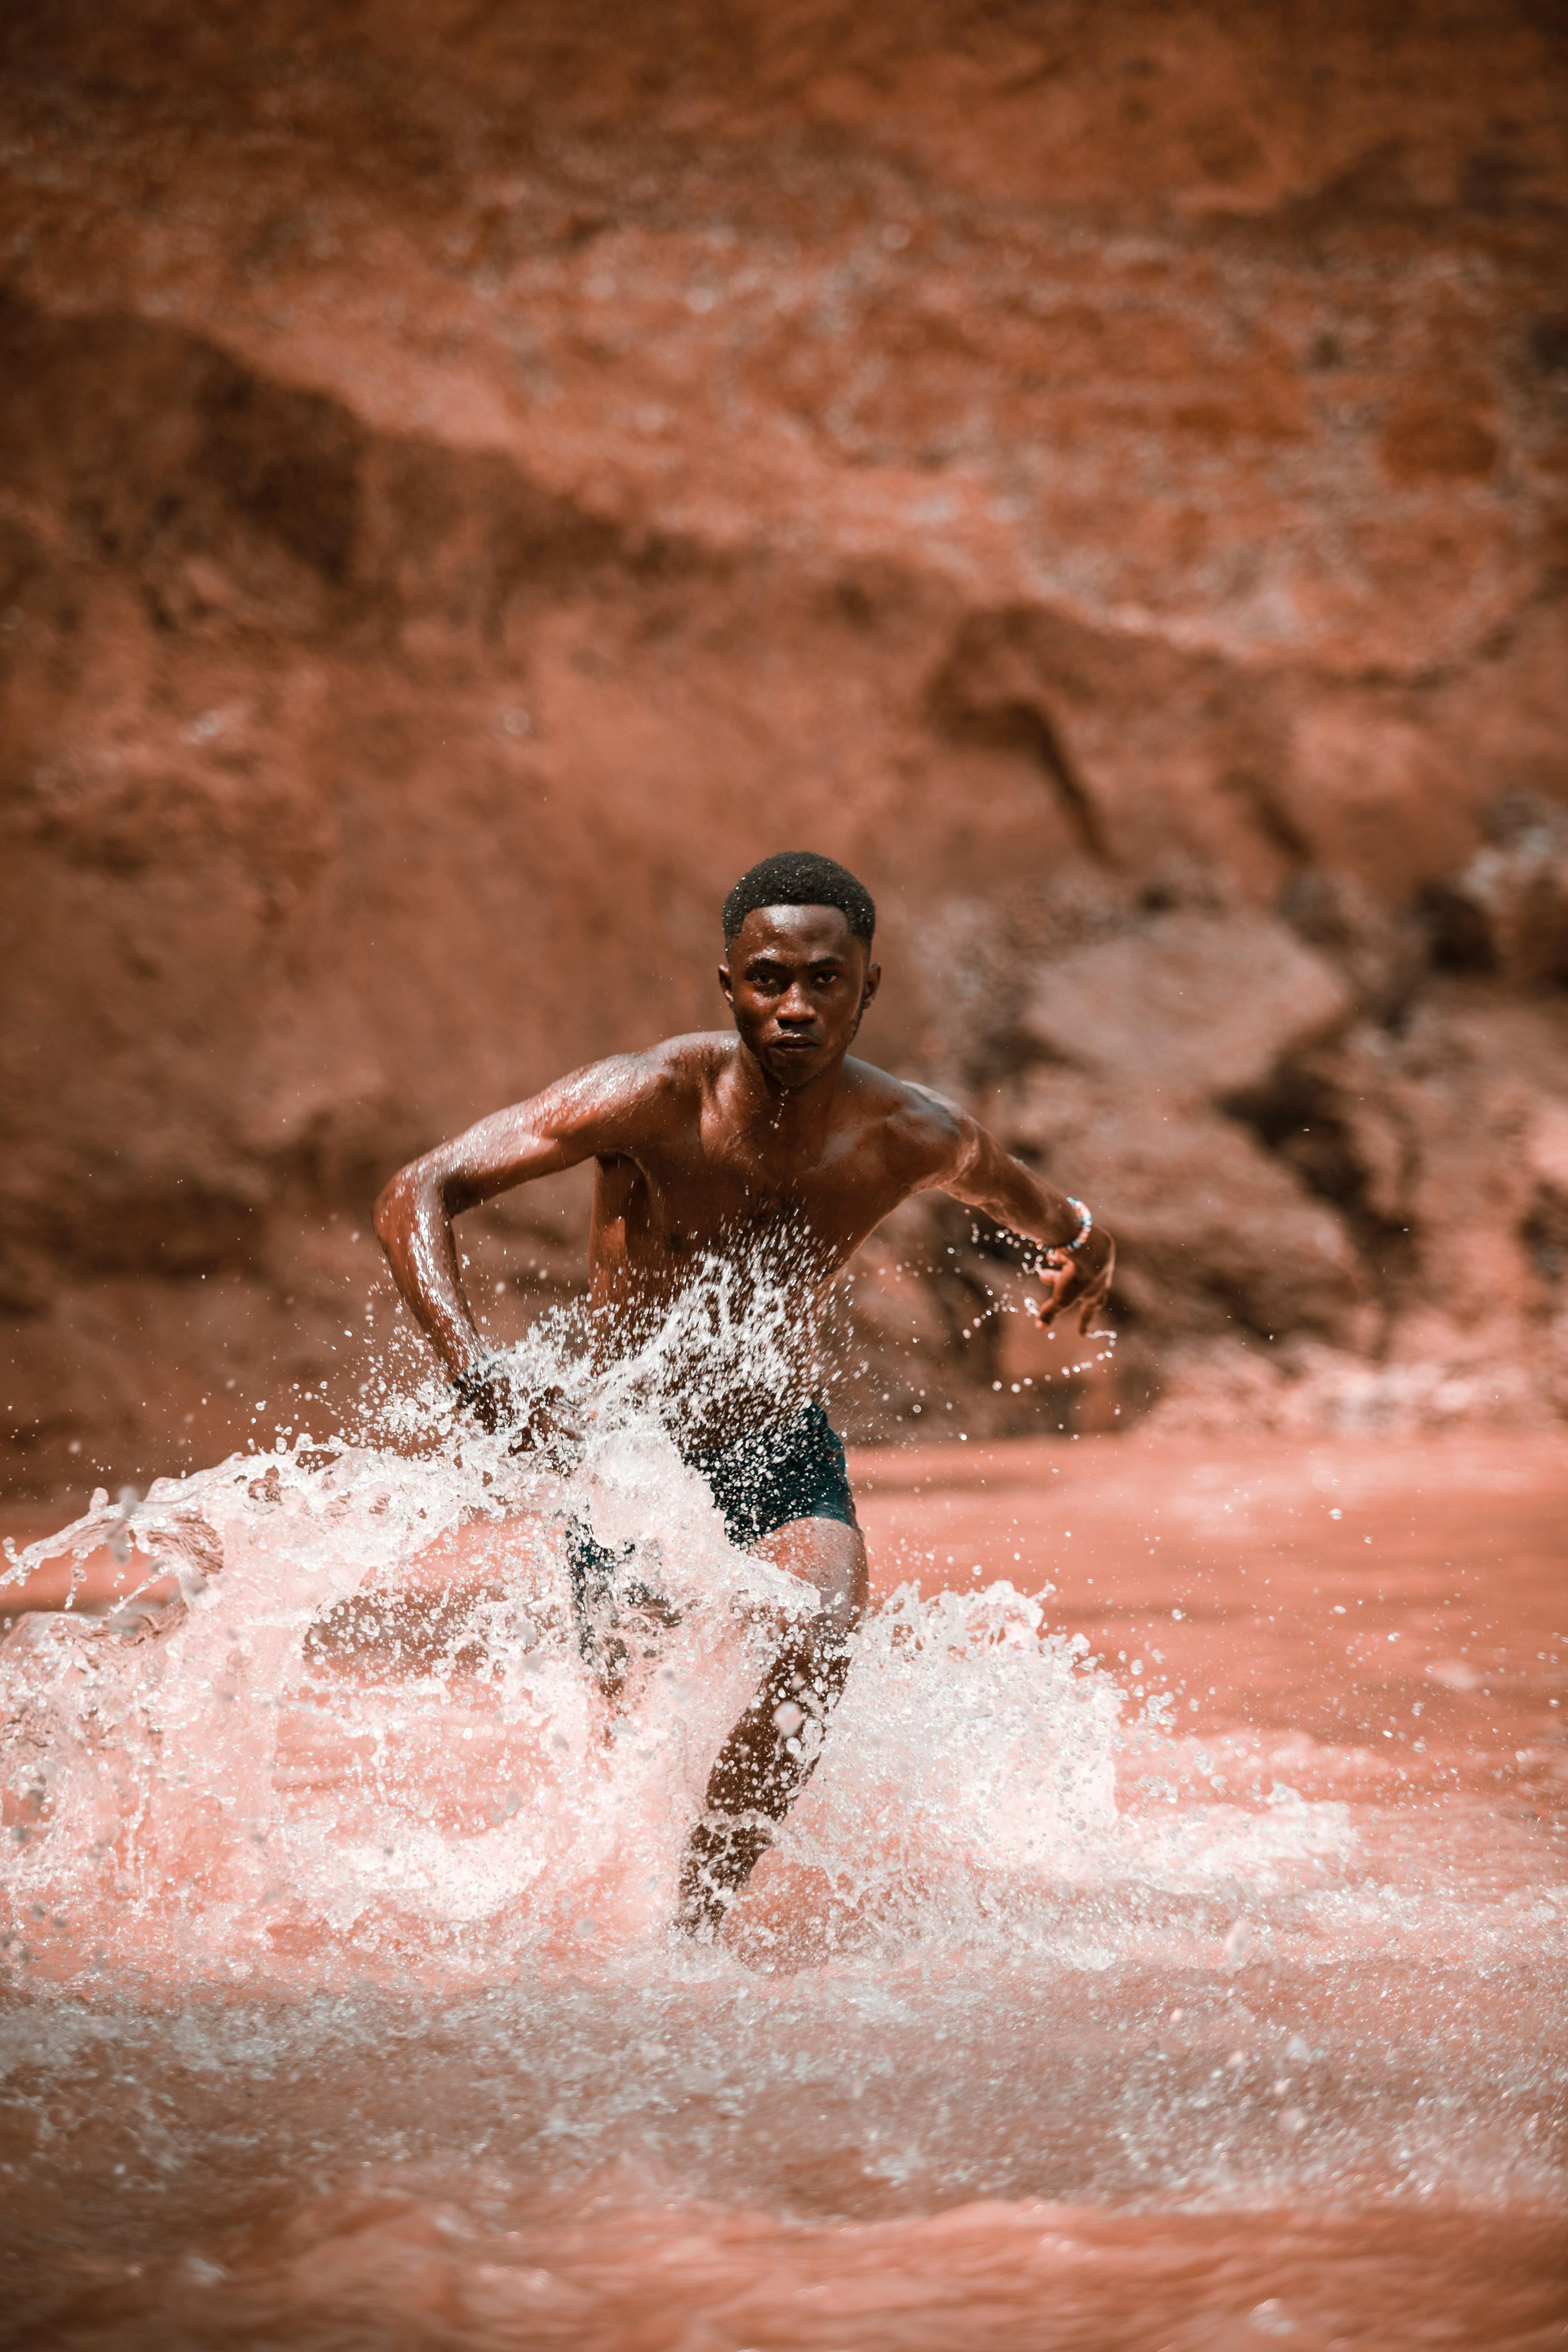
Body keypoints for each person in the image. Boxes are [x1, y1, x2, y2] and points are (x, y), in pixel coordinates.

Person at [374, 851, 1115, 1935]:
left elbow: (1032, 1201)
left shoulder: (910, 1134)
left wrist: (1084, 1247)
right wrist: (474, 1368)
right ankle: (599, 1920)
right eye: (769, 978)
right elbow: (418, 1190)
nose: (797, 1006)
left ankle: (694, 1940)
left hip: (777, 1442)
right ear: (728, 987)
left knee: (820, 1632)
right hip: (626, 1459)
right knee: (640, 1736)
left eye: (826, 980)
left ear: (871, 989)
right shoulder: (646, 1097)